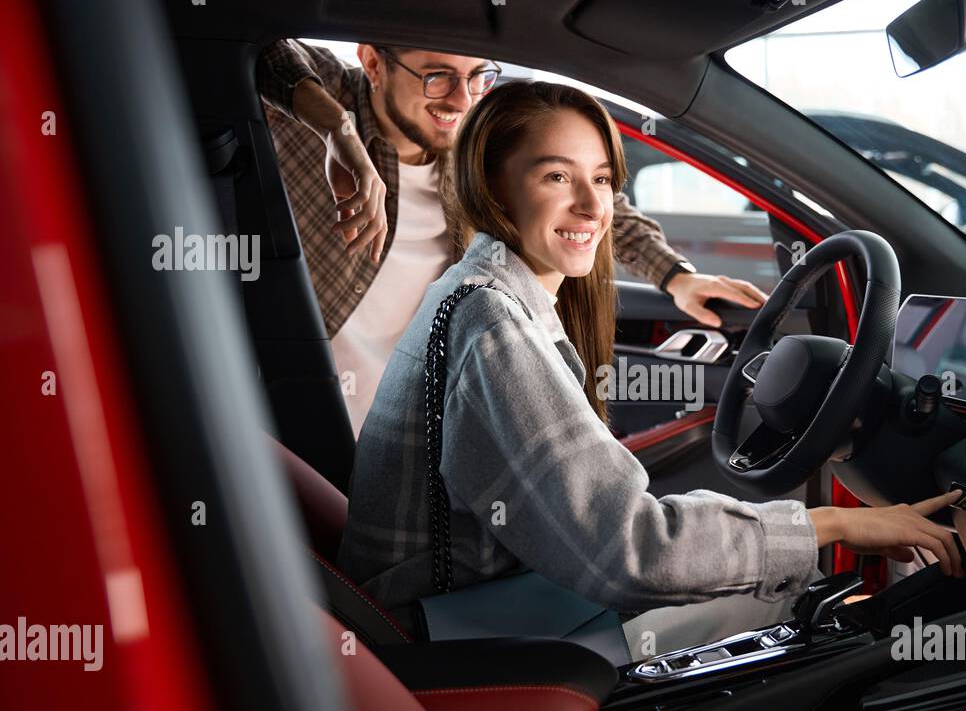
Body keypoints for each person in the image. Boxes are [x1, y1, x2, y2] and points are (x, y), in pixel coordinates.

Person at [338, 80, 964, 659]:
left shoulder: (479, 292)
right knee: (793, 605)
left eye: (604, 179)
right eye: (558, 176)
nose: (592, 206)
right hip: (442, 640)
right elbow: (628, 552)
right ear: (493, 186)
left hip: (459, 609)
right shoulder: (493, 323)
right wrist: (836, 524)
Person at [257, 40, 767, 435]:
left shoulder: (473, 155)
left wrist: (677, 277)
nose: (461, 99)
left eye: (478, 76)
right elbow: (262, 48)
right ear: (372, 63)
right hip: (288, 415)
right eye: (437, 77)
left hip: (400, 424)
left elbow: (590, 200)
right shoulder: (320, 99)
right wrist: (338, 133)